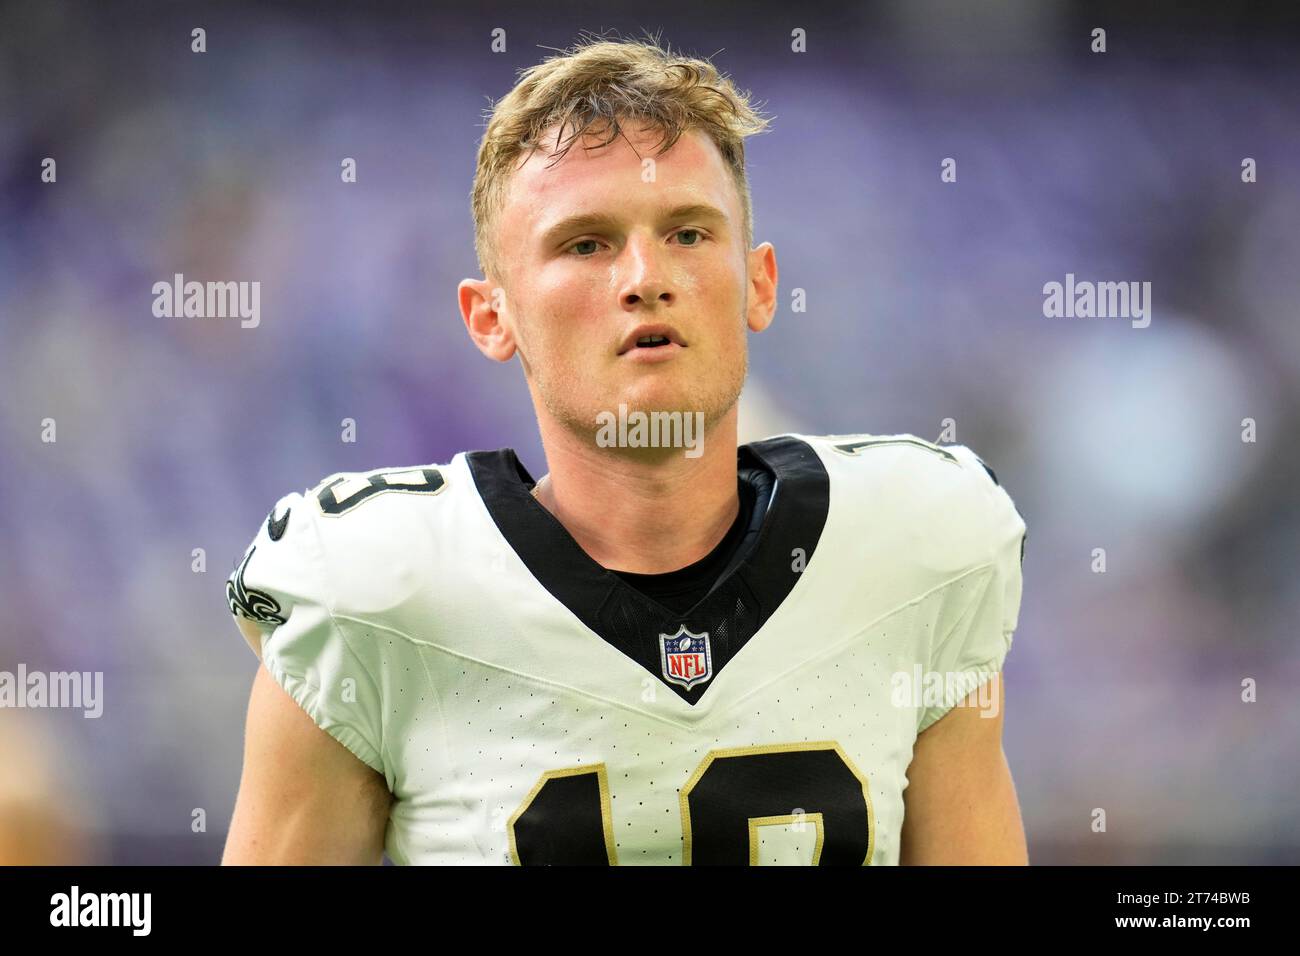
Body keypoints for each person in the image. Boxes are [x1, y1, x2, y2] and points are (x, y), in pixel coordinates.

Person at [222, 36, 1028, 865]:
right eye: (586, 243)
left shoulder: (917, 551)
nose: (646, 275)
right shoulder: (372, 600)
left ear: (759, 281)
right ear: (490, 316)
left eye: (687, 233)